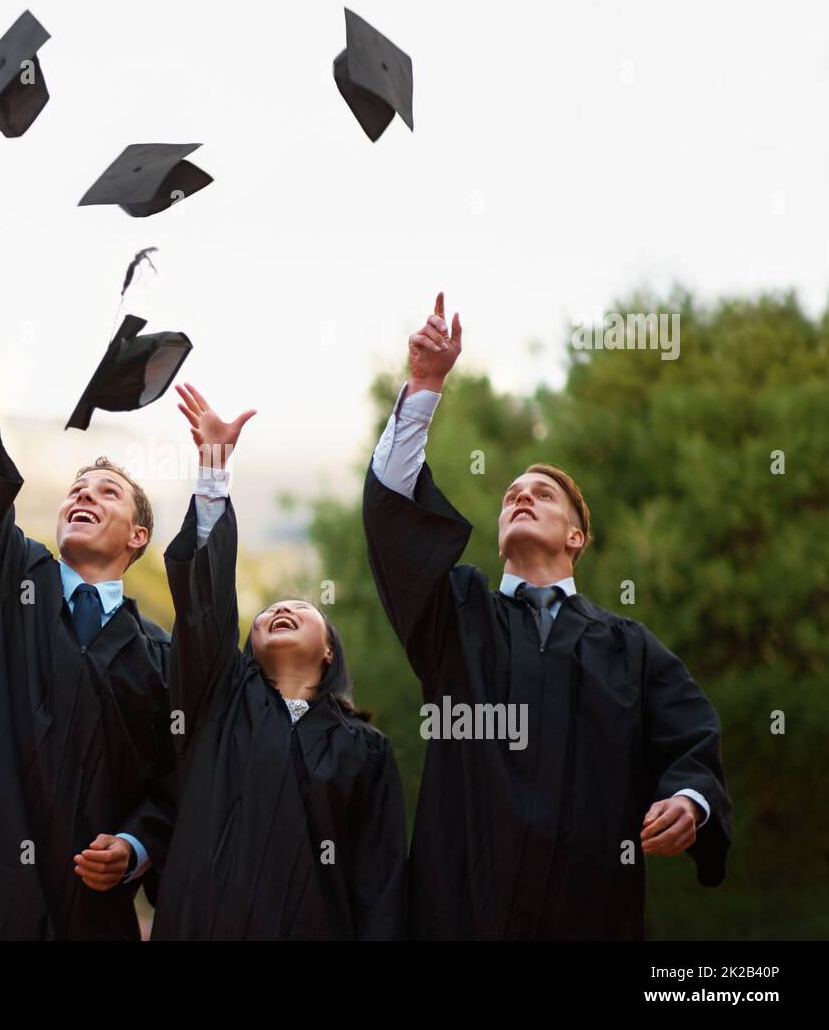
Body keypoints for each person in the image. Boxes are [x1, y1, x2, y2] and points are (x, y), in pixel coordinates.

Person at [363, 293, 732, 940]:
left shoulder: (628, 649)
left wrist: (689, 802)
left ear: (577, 537)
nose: (519, 494)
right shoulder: (458, 616)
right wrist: (425, 385)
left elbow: (690, 740)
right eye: (512, 494)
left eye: (543, 493)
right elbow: (393, 517)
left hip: (588, 912)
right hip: (459, 912)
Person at [0, 198, 176, 940]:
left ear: (140, 535)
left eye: (108, 490)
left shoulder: (160, 659)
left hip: (89, 916)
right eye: (78, 487)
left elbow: (172, 784)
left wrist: (137, 847)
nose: (84, 492)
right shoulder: (4, 582)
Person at [151, 383, 407, 939]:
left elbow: (379, 882)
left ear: (330, 649)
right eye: (268, 612)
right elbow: (204, 612)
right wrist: (214, 470)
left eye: (301, 608)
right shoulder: (217, 705)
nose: (282, 609)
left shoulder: (365, 752)